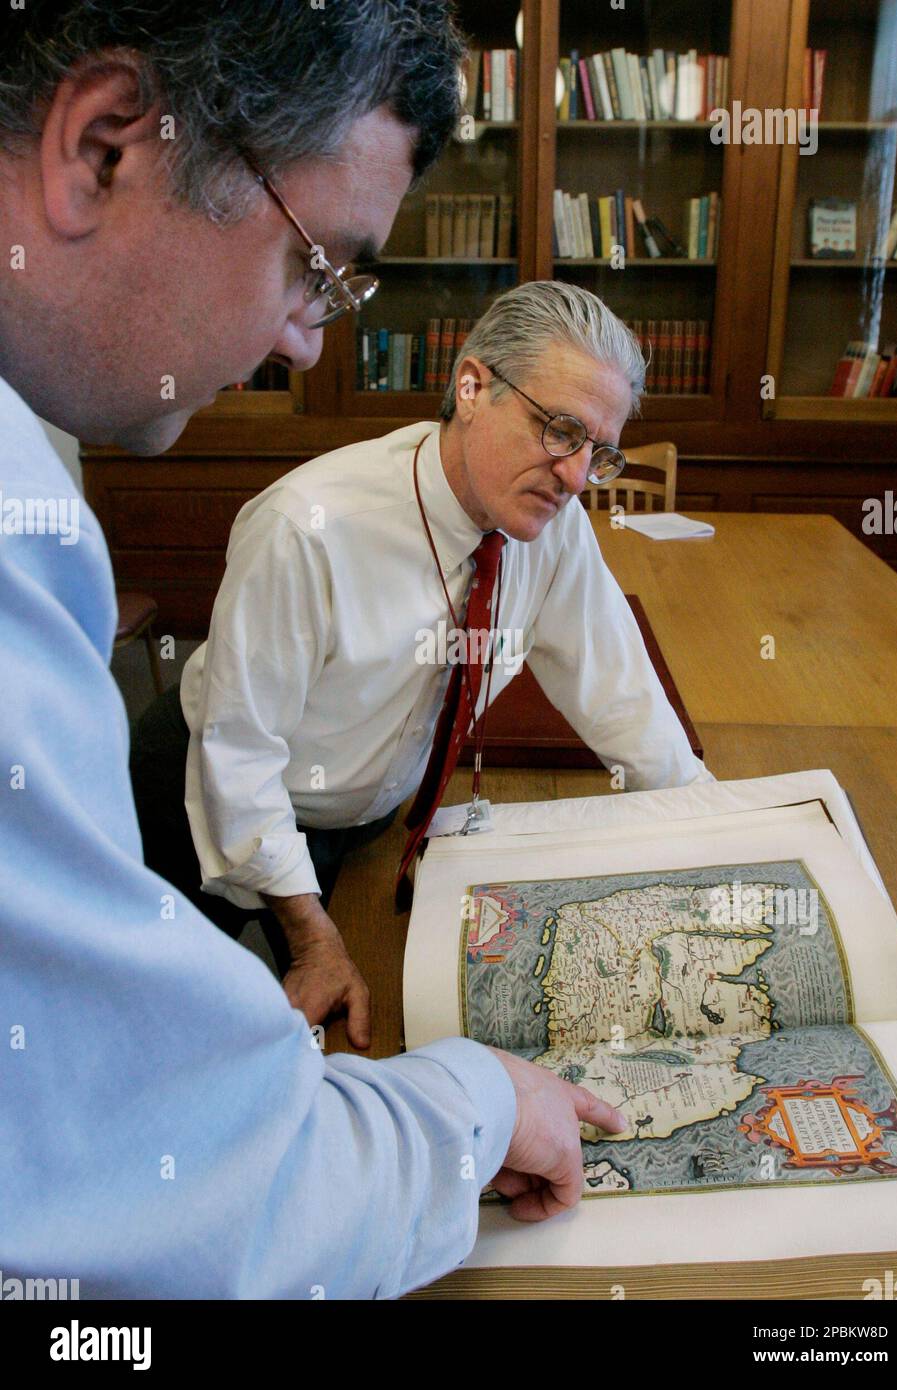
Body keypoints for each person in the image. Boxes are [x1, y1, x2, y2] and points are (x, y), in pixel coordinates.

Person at [0, 0, 625, 1301]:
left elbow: (619, 696)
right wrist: (458, 1109)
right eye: (315, 265)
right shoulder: (246, 523)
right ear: (105, 146)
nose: (307, 338)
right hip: (234, 813)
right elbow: (156, 1179)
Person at [131, 281, 712, 1043]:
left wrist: (720, 834)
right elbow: (239, 756)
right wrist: (312, 936)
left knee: (359, 1028)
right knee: (158, 1024)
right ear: (472, 386)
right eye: (561, 431)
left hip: (366, 811)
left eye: (597, 453)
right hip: (204, 784)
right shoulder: (306, 529)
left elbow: (622, 696)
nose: (576, 478)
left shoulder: (547, 526)